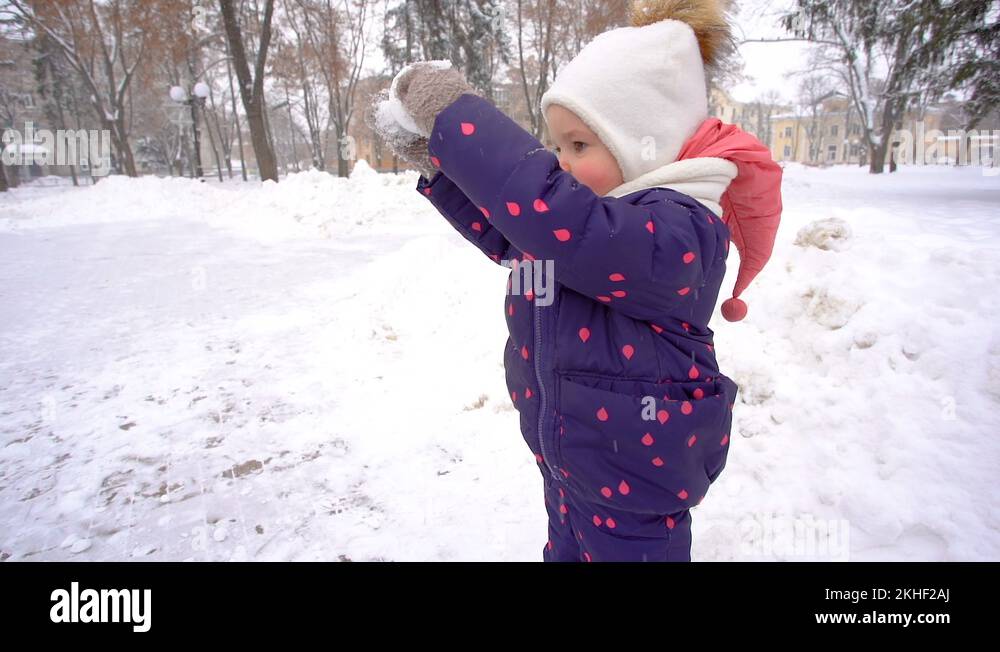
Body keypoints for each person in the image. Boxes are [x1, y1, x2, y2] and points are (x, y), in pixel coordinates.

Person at [373, 0, 783, 561]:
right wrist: (439, 166)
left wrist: (456, 120)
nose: (560, 162)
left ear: (645, 145)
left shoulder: (677, 229)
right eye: (557, 145)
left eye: (579, 145)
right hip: (571, 459)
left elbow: (559, 222)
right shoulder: (586, 227)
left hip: (636, 484)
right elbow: (515, 234)